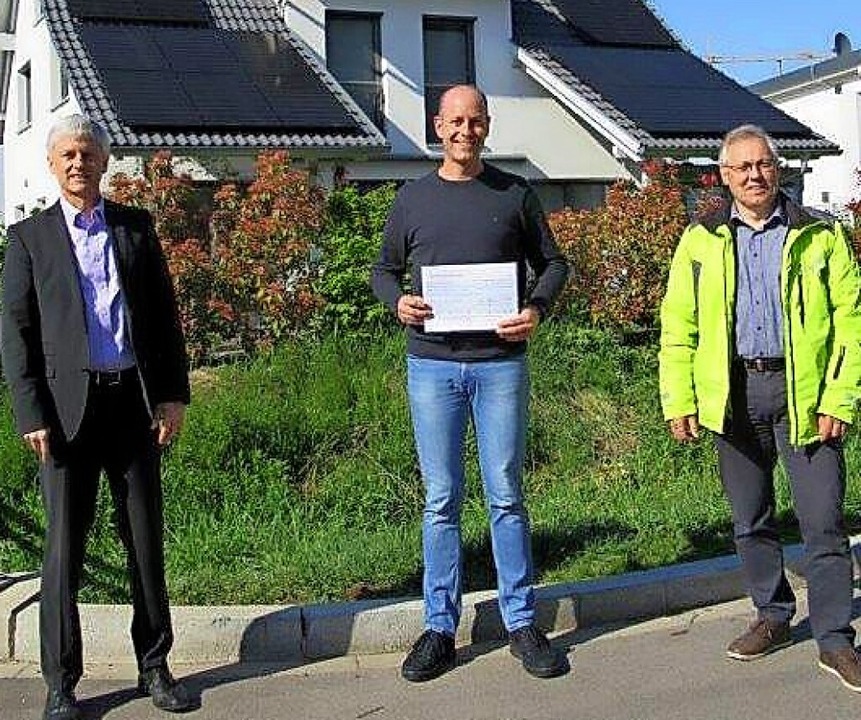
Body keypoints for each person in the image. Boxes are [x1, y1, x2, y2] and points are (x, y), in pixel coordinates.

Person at [371, 85, 570, 681]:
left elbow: (554, 263)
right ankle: (439, 627)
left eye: (475, 120)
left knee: (506, 494)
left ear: (487, 124)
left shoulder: (514, 193)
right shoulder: (412, 198)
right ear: (438, 126)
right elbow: (383, 270)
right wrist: (397, 302)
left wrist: (536, 309)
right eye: (455, 121)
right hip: (432, 366)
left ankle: (521, 622)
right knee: (441, 500)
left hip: (500, 365)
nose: (465, 131)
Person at [1, 115, 194, 719]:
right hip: (65, 416)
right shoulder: (29, 238)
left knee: (144, 541)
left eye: (87, 153)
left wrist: (173, 394)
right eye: (67, 155)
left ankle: (155, 666)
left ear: (104, 162)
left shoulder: (135, 228)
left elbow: (163, 315)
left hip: (132, 405)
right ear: (52, 165)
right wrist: (30, 411)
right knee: (63, 550)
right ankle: (61, 684)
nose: (78, 163)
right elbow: (16, 332)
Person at [659, 124, 861, 692]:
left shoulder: (819, 234)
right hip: (734, 395)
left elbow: (851, 322)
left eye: (763, 164)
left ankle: (834, 639)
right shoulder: (700, 239)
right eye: (742, 167)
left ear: (779, 169)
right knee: (750, 518)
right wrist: (680, 398)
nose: (755, 175)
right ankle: (773, 615)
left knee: (823, 521)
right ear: (724, 177)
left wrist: (839, 396)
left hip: (806, 396)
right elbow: (678, 325)